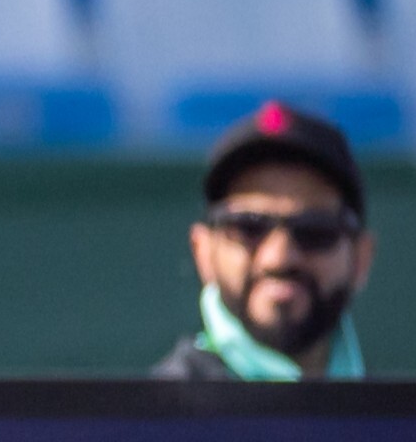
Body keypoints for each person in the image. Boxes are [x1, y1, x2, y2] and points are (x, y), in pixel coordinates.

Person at [156, 101, 373, 381]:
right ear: (203, 252)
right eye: (248, 228)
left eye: (315, 231)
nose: (279, 257)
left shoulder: (403, 422)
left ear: (361, 257)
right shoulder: (151, 421)